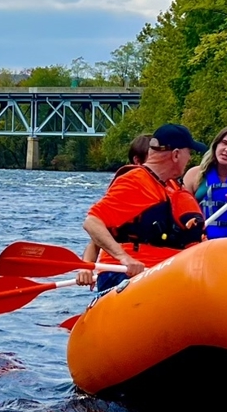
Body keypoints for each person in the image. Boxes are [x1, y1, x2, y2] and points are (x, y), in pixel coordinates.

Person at [82, 123, 207, 292]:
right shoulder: (134, 182)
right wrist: (124, 258)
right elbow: (92, 222)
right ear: (176, 154)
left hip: (164, 272)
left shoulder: (170, 186)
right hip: (126, 276)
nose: (190, 158)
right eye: (189, 153)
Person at [76, 134, 154, 284]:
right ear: (137, 160)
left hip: (153, 268)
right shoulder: (126, 190)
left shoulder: (168, 190)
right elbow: (95, 241)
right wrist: (85, 268)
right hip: (119, 272)